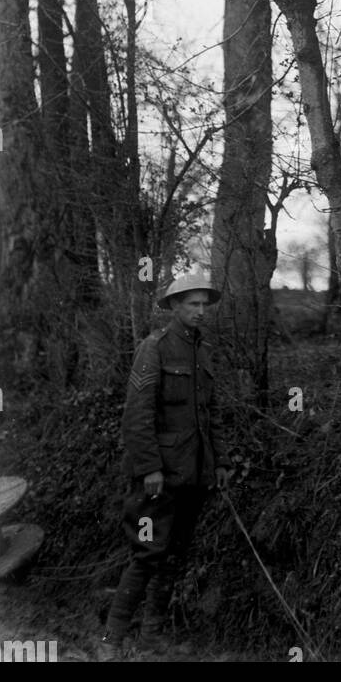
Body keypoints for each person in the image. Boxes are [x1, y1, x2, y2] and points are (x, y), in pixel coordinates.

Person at [97, 271, 228, 659]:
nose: (201, 311)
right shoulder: (153, 348)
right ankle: (111, 640)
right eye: (193, 304)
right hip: (157, 480)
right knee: (147, 553)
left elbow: (212, 414)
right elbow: (136, 416)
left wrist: (219, 462)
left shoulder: (203, 352)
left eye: (205, 304)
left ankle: (152, 636)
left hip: (194, 475)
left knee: (176, 554)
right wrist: (150, 468)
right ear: (174, 306)